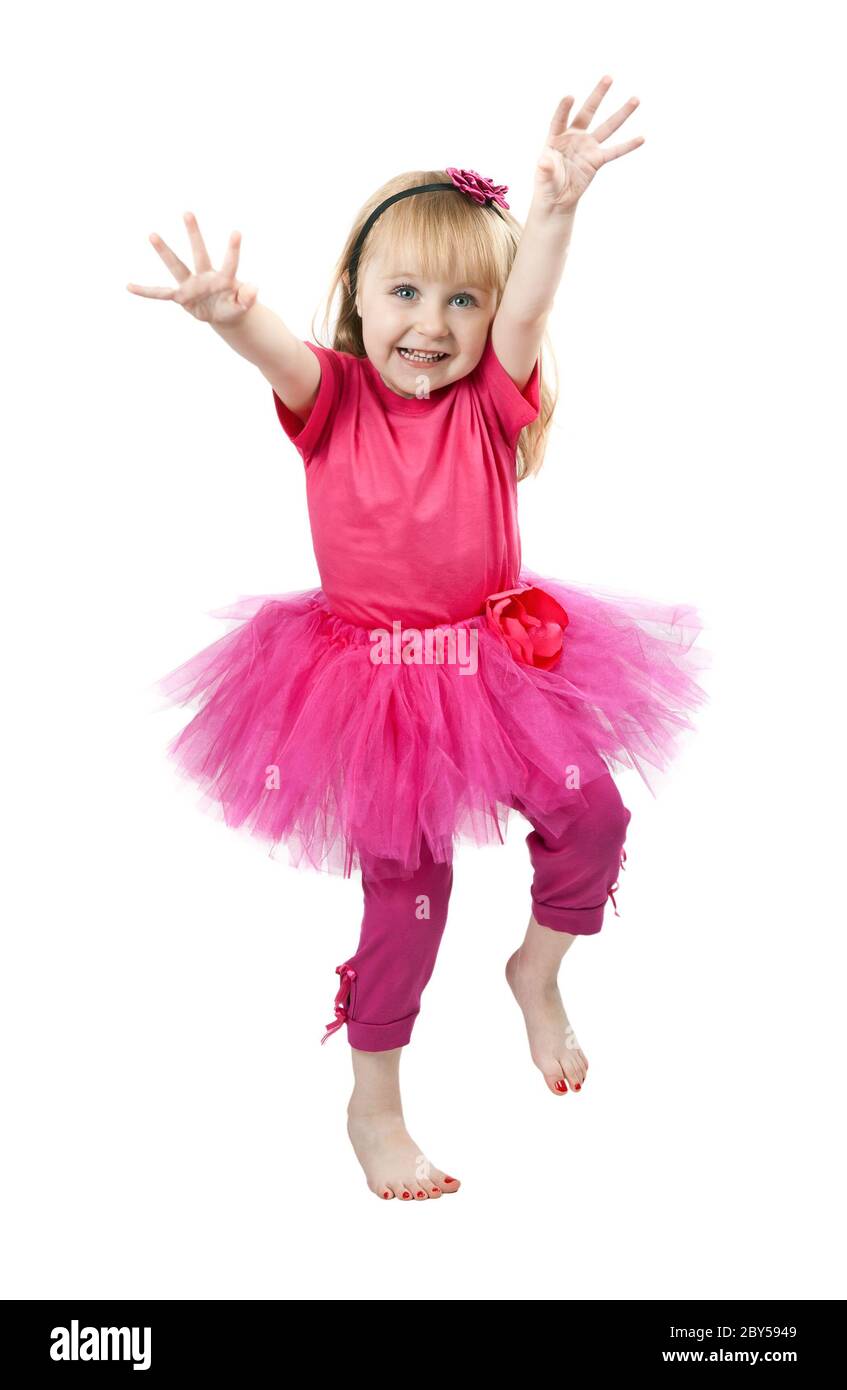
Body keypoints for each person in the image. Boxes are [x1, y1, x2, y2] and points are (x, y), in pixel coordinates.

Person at [128, 77, 708, 1202]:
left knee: (594, 813)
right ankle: (374, 1099)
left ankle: (536, 970)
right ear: (355, 296)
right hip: (371, 684)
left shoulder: (494, 401)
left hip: (499, 664)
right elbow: (276, 353)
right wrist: (227, 311)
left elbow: (530, 308)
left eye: (461, 304)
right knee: (408, 895)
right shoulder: (330, 395)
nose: (431, 327)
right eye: (404, 293)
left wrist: (555, 209)